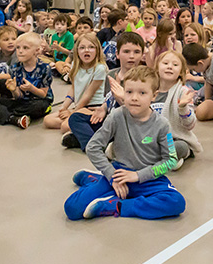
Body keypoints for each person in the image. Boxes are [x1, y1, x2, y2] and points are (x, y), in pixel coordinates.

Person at [64, 65, 185, 221]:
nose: (134, 98)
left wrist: (138, 175)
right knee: (72, 208)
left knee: (176, 203)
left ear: (153, 96)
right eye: (129, 92)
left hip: (149, 178)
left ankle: (115, 205)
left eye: (142, 93)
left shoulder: (163, 125)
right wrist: (110, 174)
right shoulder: (116, 116)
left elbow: (170, 161)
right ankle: (95, 179)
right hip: (118, 174)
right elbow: (93, 147)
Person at [0, 32, 52, 128]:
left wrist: (31, 88)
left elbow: (43, 94)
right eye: (18, 48)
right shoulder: (15, 68)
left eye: (25, 48)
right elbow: (18, 97)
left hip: (38, 101)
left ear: (36, 51)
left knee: (39, 107)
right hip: (21, 102)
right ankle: (13, 117)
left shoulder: (44, 68)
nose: (20, 51)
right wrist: (14, 90)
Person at [151, 50, 202, 165]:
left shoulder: (183, 92)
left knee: (180, 147)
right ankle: (167, 160)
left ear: (180, 72)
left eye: (175, 65)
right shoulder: (149, 89)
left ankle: (154, 158)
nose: (170, 67)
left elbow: (190, 125)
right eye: (165, 63)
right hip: (152, 138)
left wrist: (183, 107)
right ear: (157, 68)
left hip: (173, 139)